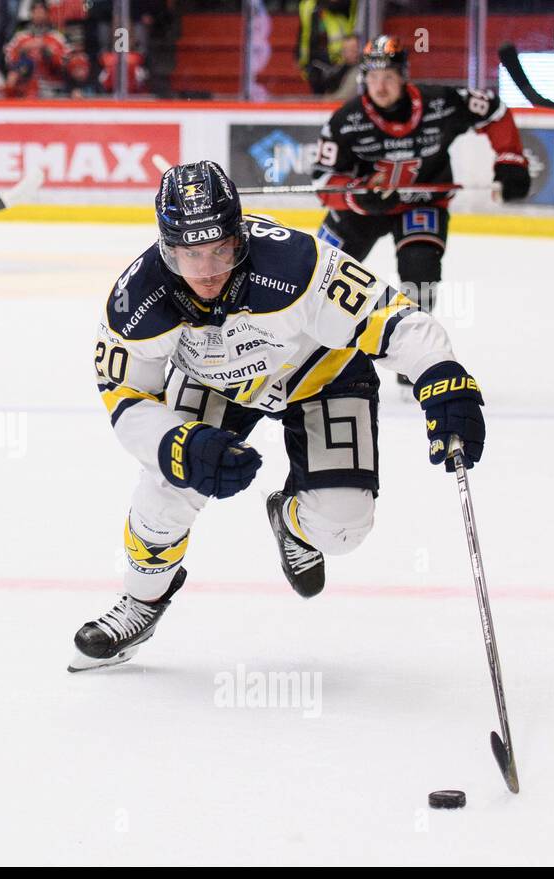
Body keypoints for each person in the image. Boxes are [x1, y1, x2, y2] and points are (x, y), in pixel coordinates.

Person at [71, 161, 485, 672]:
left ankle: (290, 523)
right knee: (166, 488)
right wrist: (173, 445)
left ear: (239, 234)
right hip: (214, 383)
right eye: (189, 254)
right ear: (165, 247)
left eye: (220, 249)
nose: (206, 271)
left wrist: (441, 375)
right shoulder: (138, 299)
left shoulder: (296, 263)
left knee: (343, 529)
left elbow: (390, 318)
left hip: (323, 373)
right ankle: (141, 601)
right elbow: (125, 391)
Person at [311, 35, 530, 389]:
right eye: (372, 77)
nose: (380, 86)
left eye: (389, 77)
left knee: (421, 272)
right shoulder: (345, 121)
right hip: (363, 209)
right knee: (319, 272)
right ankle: (306, 346)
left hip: (422, 201)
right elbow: (324, 183)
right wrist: (359, 199)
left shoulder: (440, 103)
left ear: (404, 76)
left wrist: (510, 160)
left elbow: (494, 110)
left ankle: (410, 351)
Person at [296, 0, 357, 95]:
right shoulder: (307, 5)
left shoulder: (349, 4)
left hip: (343, 63)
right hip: (316, 66)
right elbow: (304, 36)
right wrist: (304, 63)